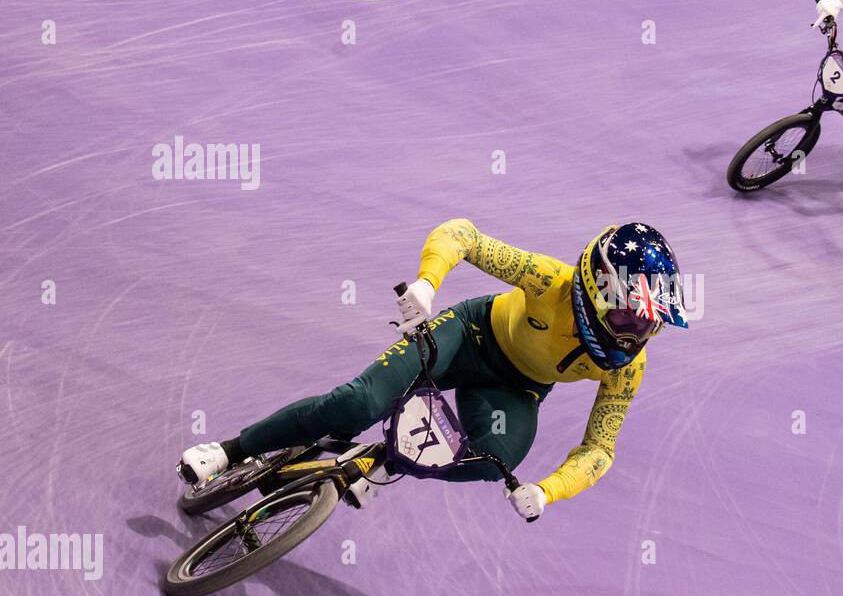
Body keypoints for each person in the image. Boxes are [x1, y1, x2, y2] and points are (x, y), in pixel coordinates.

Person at [176, 220, 688, 520]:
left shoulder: (627, 369)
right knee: (357, 403)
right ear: (594, 290)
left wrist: (548, 490)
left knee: (493, 462)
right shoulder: (549, 279)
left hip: (514, 391)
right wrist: (427, 283)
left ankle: (382, 463)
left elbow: (599, 449)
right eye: (625, 314)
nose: (632, 335)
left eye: (646, 323)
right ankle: (226, 452)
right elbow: (461, 236)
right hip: (467, 336)